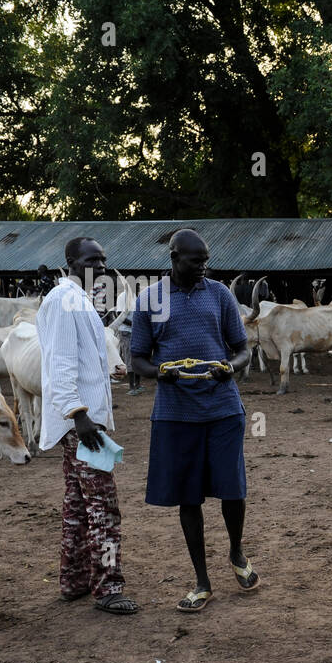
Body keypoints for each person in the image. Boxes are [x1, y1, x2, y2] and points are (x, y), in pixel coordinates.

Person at [130, 229, 256, 613]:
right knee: (189, 496)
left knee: (232, 489)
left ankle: (236, 550)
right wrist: (158, 374)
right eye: (195, 260)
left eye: (205, 260)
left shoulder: (219, 294)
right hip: (175, 413)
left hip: (223, 409)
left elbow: (242, 350)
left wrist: (228, 369)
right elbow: (138, 358)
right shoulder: (150, 300)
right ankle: (202, 582)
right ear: (174, 258)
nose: (203, 266)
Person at [36, 237, 138, 615]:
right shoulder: (65, 301)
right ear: (71, 262)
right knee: (103, 507)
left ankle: (73, 580)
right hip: (82, 424)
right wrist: (80, 415)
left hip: (81, 422)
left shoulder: (77, 301)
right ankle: (107, 588)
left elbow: (80, 357)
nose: (100, 266)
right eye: (92, 259)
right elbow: (60, 365)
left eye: (104, 260)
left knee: (78, 505)